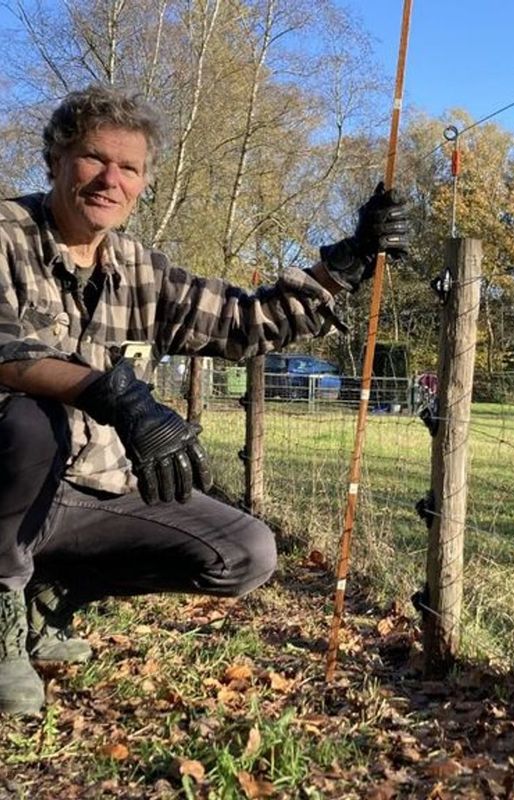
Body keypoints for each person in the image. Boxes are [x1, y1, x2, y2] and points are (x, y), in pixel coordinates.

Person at [0, 84, 410, 714]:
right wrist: (116, 395)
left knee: (244, 551)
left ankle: (50, 595)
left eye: (129, 168)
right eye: (93, 158)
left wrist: (346, 263)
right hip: (9, 482)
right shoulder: (6, 233)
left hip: (93, 490)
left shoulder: (140, 268)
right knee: (29, 421)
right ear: (55, 159)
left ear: (142, 182)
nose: (110, 179)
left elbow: (243, 321)